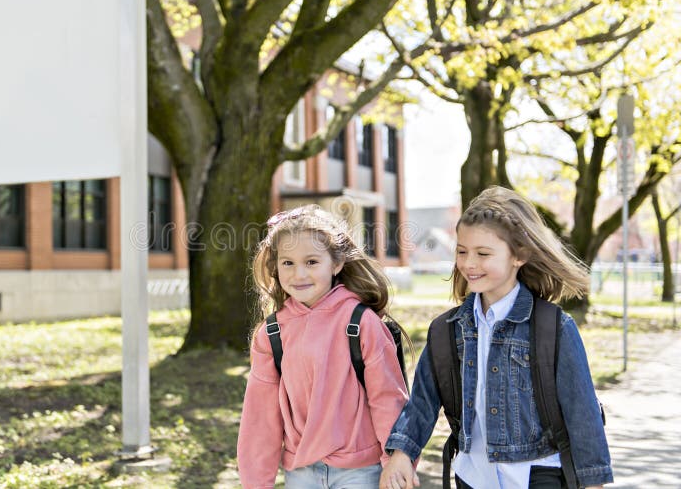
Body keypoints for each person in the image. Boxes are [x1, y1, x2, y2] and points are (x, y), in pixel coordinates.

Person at [381, 187, 612, 489]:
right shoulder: (446, 330)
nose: (469, 263)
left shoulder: (554, 328)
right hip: (472, 477)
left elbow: (583, 415)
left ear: (520, 255)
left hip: (539, 477)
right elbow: (422, 403)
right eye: (462, 251)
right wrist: (401, 453)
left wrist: (593, 483)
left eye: (483, 254)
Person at [237, 204, 410, 489]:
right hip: (301, 473)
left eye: (312, 262)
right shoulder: (271, 333)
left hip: (360, 472)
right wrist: (256, 483)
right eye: (288, 263)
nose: (299, 274)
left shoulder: (362, 323)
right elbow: (260, 418)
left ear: (337, 263)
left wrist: (395, 462)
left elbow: (388, 400)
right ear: (276, 267)